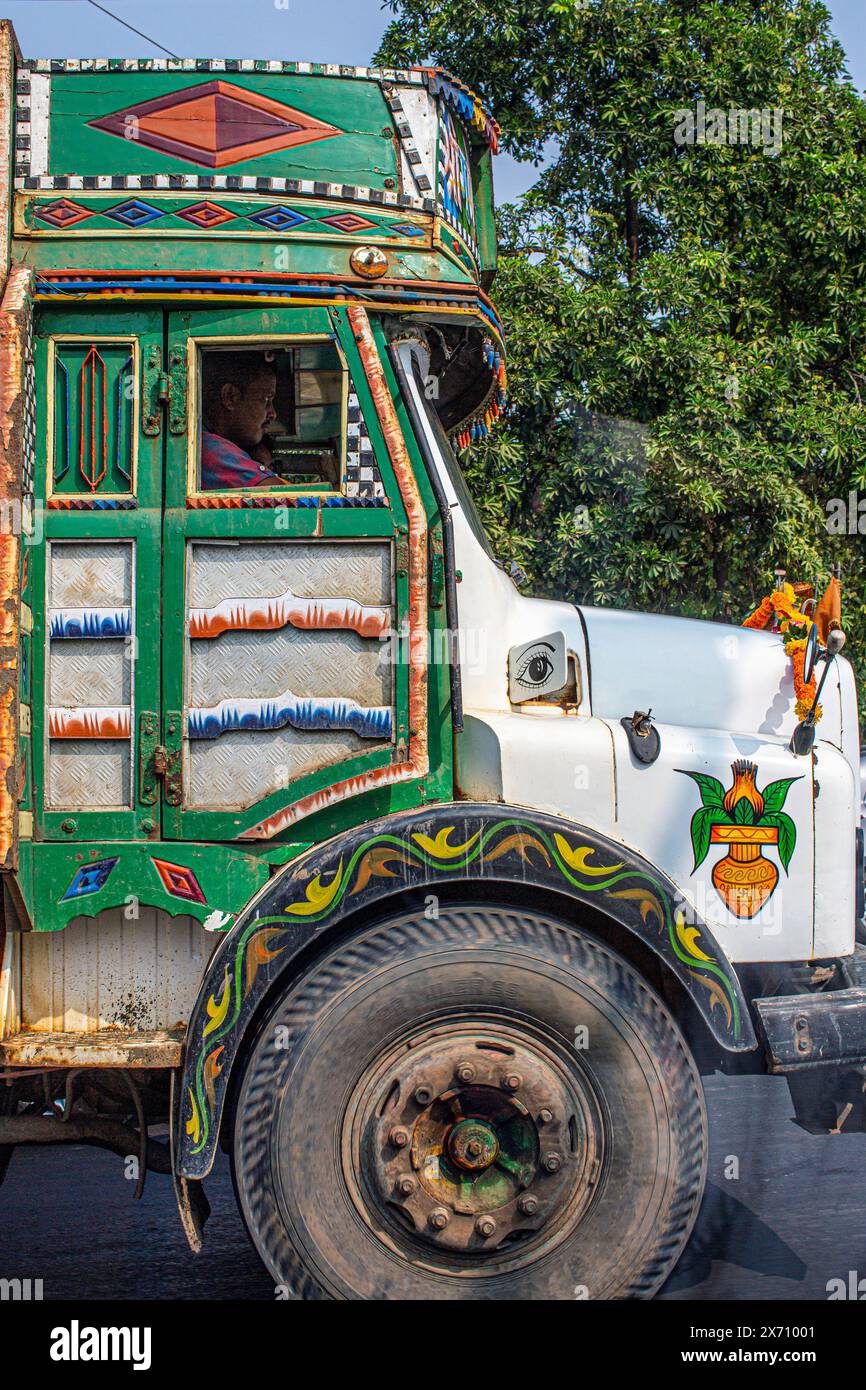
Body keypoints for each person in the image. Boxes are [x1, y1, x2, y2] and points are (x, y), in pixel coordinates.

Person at [200, 352, 283, 489]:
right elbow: (285, 500)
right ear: (230, 397)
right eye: (267, 399)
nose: (273, 414)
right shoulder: (208, 449)